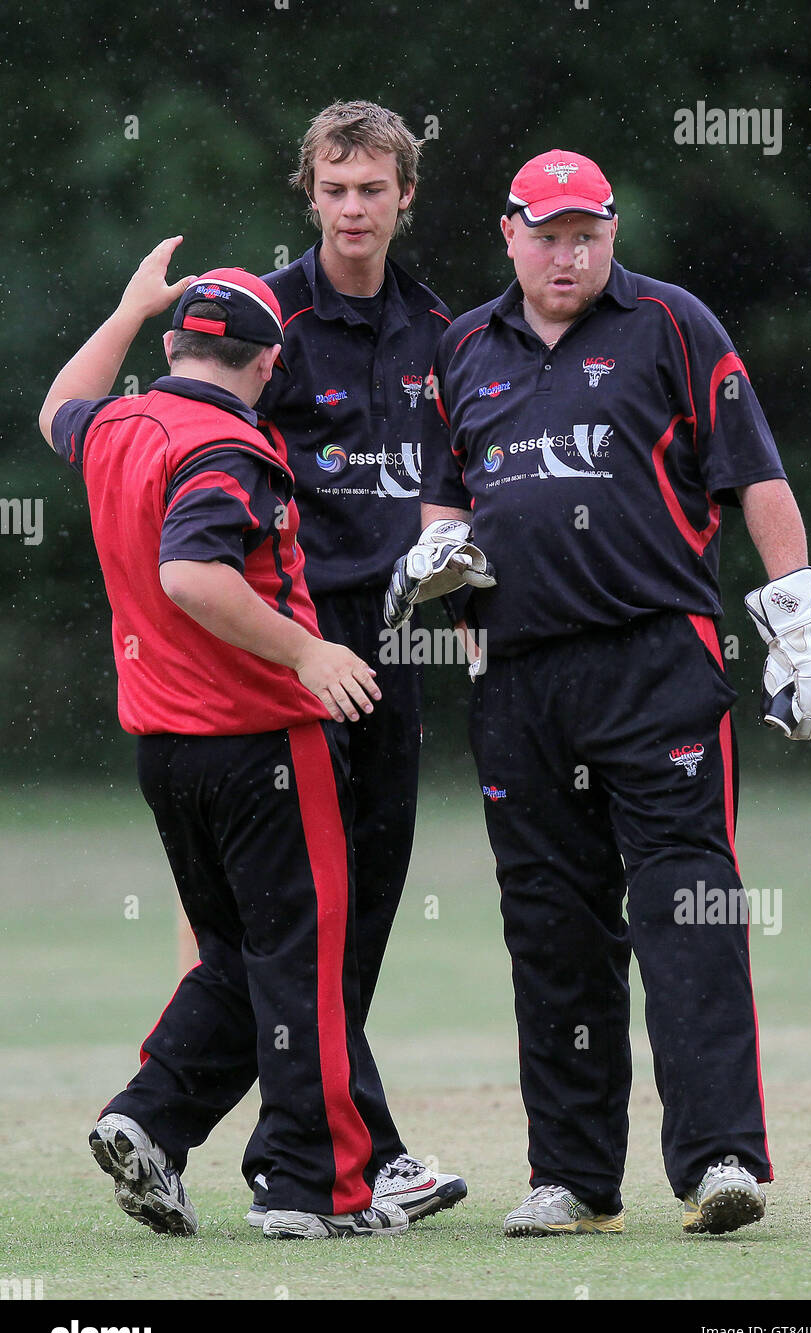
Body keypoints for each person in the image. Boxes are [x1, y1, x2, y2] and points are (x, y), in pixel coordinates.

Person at [387, 150, 811, 1237]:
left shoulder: (672, 323)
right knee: (550, 926)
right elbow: (440, 505)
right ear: (508, 233)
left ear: (610, 229)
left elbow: (757, 478)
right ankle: (574, 1177)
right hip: (516, 678)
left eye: (585, 232)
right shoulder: (463, 350)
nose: (568, 252)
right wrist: (436, 559)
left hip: (656, 663)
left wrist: (793, 614)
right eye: (546, 233)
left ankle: (719, 1157)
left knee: (687, 906)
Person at [39, 238, 413, 1240]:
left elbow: (54, 409)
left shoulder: (120, 421)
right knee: (306, 960)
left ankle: (149, 1121)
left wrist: (122, 309)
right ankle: (314, 1189)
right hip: (264, 742)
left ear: (171, 347)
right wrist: (307, 653)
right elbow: (191, 575)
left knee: (237, 960)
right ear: (267, 363)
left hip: (168, 751)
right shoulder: (227, 447)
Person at [241, 100, 466, 1224]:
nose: (351, 209)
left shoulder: (439, 326)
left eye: (372, 189)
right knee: (307, 912)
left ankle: (318, 1143)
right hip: (293, 647)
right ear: (309, 191)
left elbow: (462, 486)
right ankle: (337, 1152)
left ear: (404, 196)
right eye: (333, 189)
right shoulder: (266, 316)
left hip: (401, 647)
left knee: (364, 907)